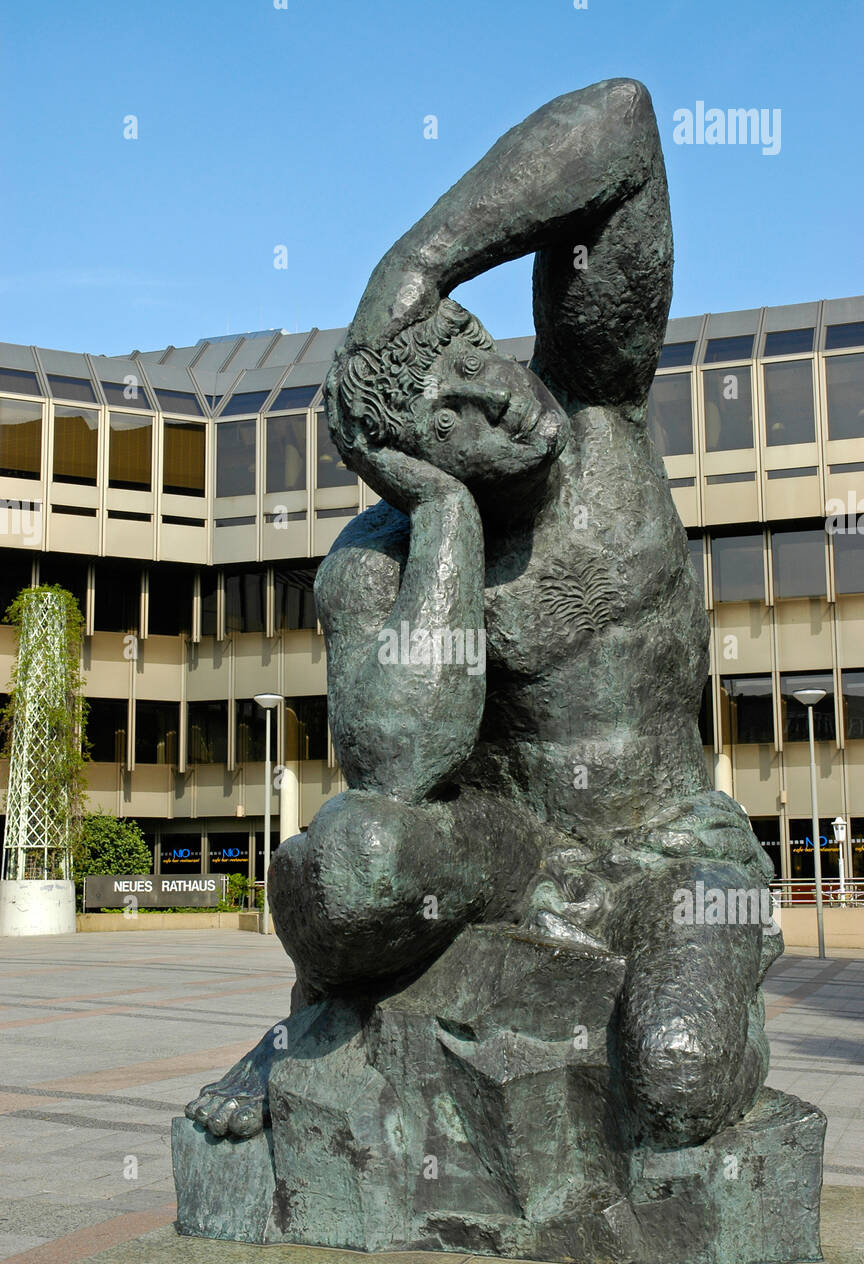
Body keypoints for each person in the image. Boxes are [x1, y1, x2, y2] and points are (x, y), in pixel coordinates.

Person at [187, 78, 777, 1150]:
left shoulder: (601, 406)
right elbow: (401, 769)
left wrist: (417, 265)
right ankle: (314, 1026)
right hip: (510, 856)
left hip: (670, 850)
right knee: (351, 860)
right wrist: (447, 516)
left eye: (476, 354)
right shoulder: (378, 562)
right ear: (405, 463)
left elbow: (626, 124)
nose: (495, 396)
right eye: (450, 415)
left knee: (680, 1077)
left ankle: (710, 1016)